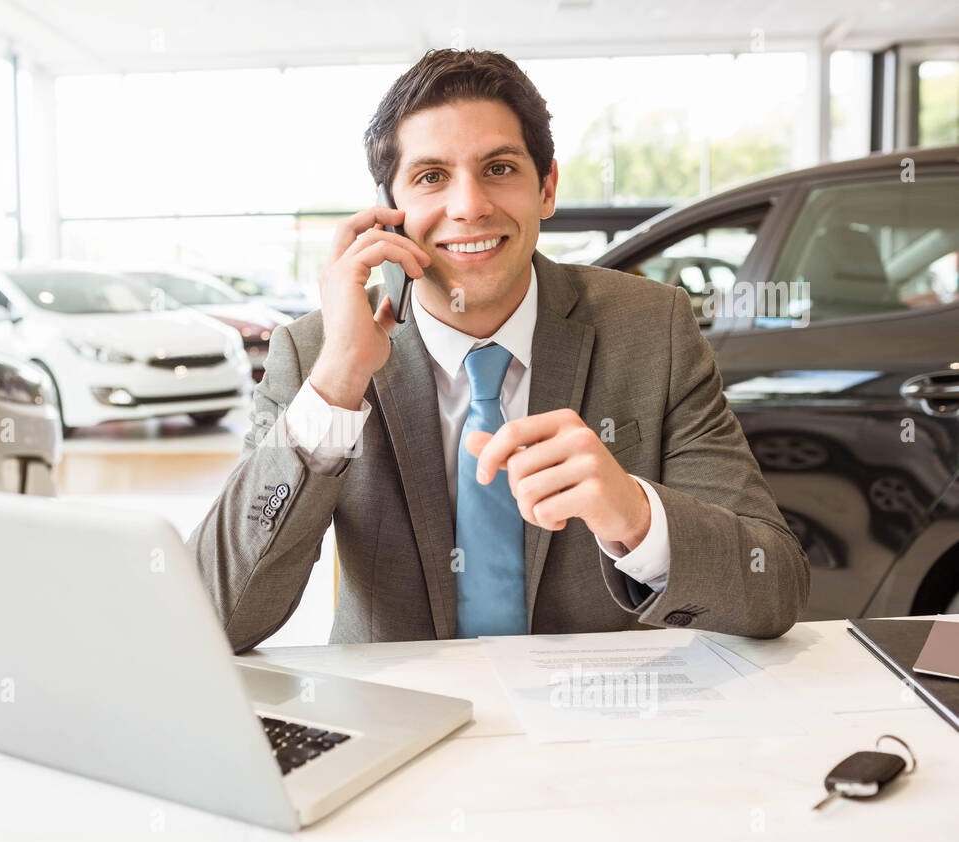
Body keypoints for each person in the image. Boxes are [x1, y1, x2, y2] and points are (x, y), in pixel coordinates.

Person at [187, 48, 809, 652]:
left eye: (500, 168)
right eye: (432, 177)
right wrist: (339, 380)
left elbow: (773, 588)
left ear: (546, 187)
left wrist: (636, 518)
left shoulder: (652, 328)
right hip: (402, 718)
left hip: (602, 718)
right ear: (389, 212)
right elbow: (214, 616)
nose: (470, 207)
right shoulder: (314, 353)